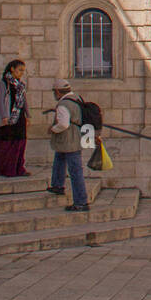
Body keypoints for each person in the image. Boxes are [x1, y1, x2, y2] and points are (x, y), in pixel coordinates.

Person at [0, 60, 31, 178]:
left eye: (23, 71)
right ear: (12, 69)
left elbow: (24, 100)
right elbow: (0, 100)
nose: (21, 73)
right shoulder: (4, 83)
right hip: (8, 117)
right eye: (19, 70)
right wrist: (4, 115)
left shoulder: (20, 84)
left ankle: (17, 167)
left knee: (19, 141)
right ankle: (0, 168)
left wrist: (28, 115)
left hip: (19, 117)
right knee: (4, 142)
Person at [46, 82, 89, 212]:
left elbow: (63, 124)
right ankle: (57, 185)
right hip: (75, 138)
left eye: (55, 92)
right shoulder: (76, 99)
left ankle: (81, 202)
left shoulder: (63, 105)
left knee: (75, 171)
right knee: (59, 158)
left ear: (58, 92)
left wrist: (53, 129)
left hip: (68, 139)